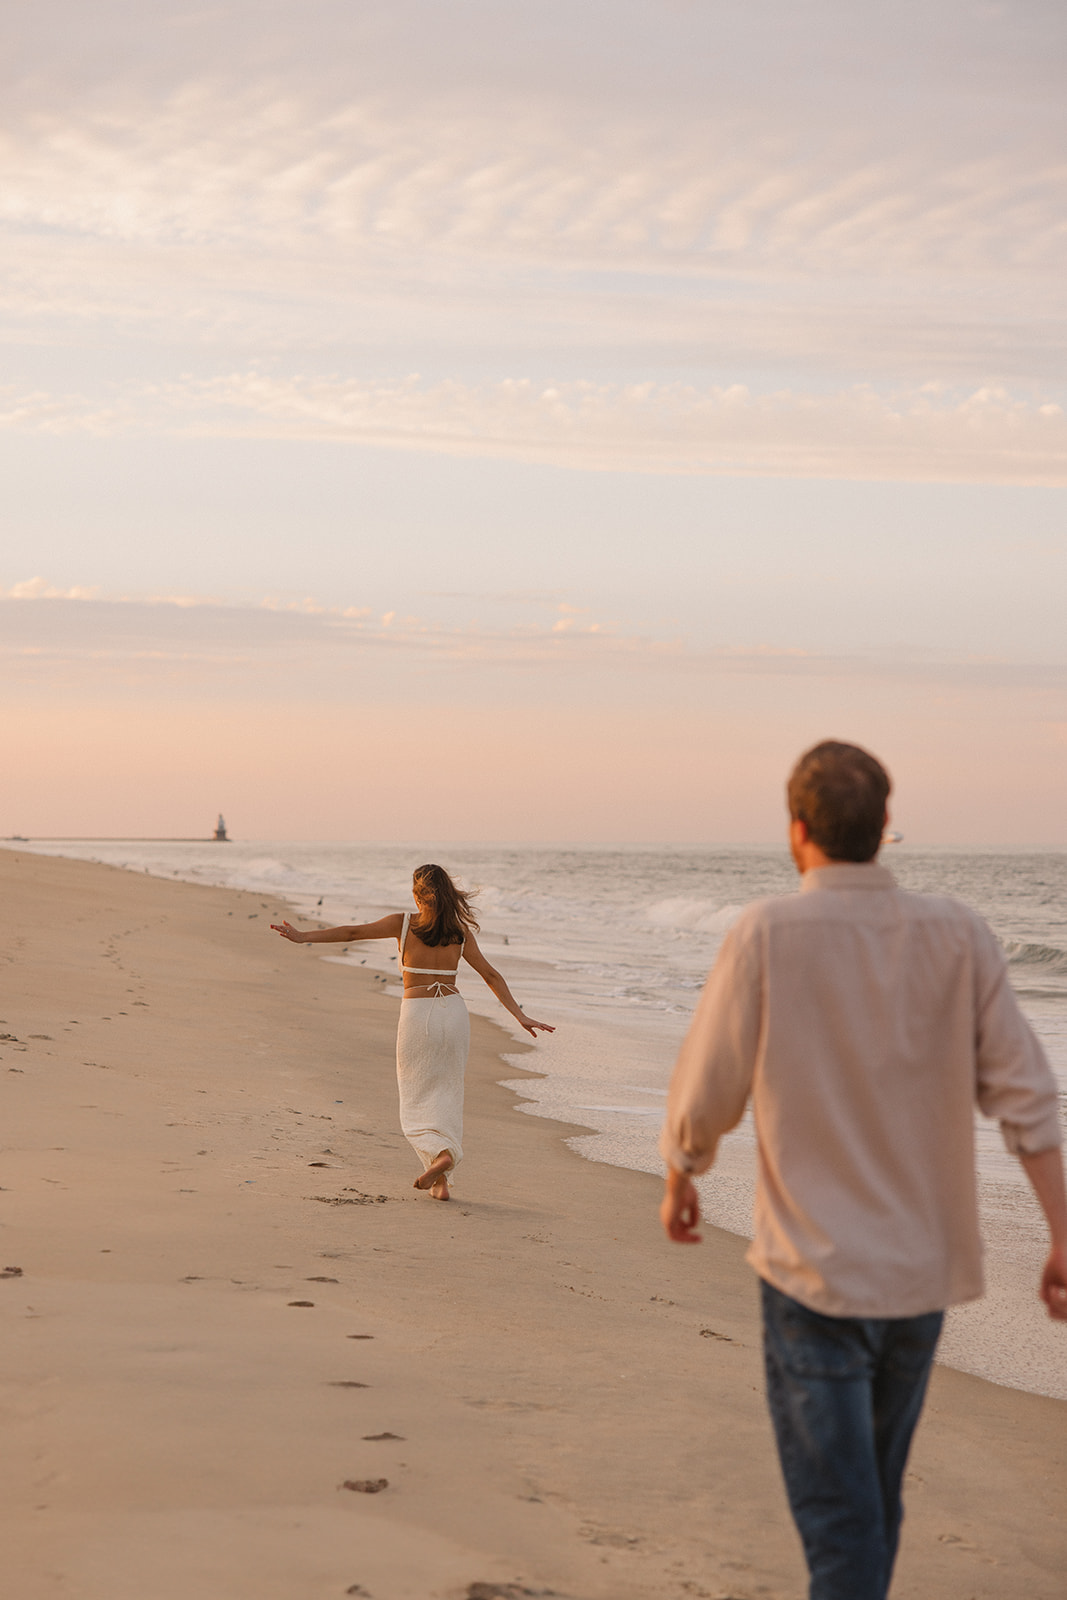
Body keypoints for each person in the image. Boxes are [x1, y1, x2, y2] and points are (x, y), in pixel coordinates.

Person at [659, 740, 1067, 1600]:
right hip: (919, 1279)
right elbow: (1025, 1095)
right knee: (869, 1505)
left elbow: (708, 1087)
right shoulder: (956, 932)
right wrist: (1061, 1235)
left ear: (796, 829)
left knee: (843, 1519)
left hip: (811, 1276)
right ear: (883, 826)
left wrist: (684, 1168)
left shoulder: (765, 932)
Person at [272, 863, 553, 1201]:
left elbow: (351, 934)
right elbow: (491, 976)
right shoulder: (460, 931)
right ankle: (441, 1180)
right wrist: (519, 1015)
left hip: (419, 1014)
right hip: (455, 1015)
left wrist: (304, 937)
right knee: (447, 1093)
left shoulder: (403, 924)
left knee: (416, 1096)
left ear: (418, 895)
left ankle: (440, 1156)